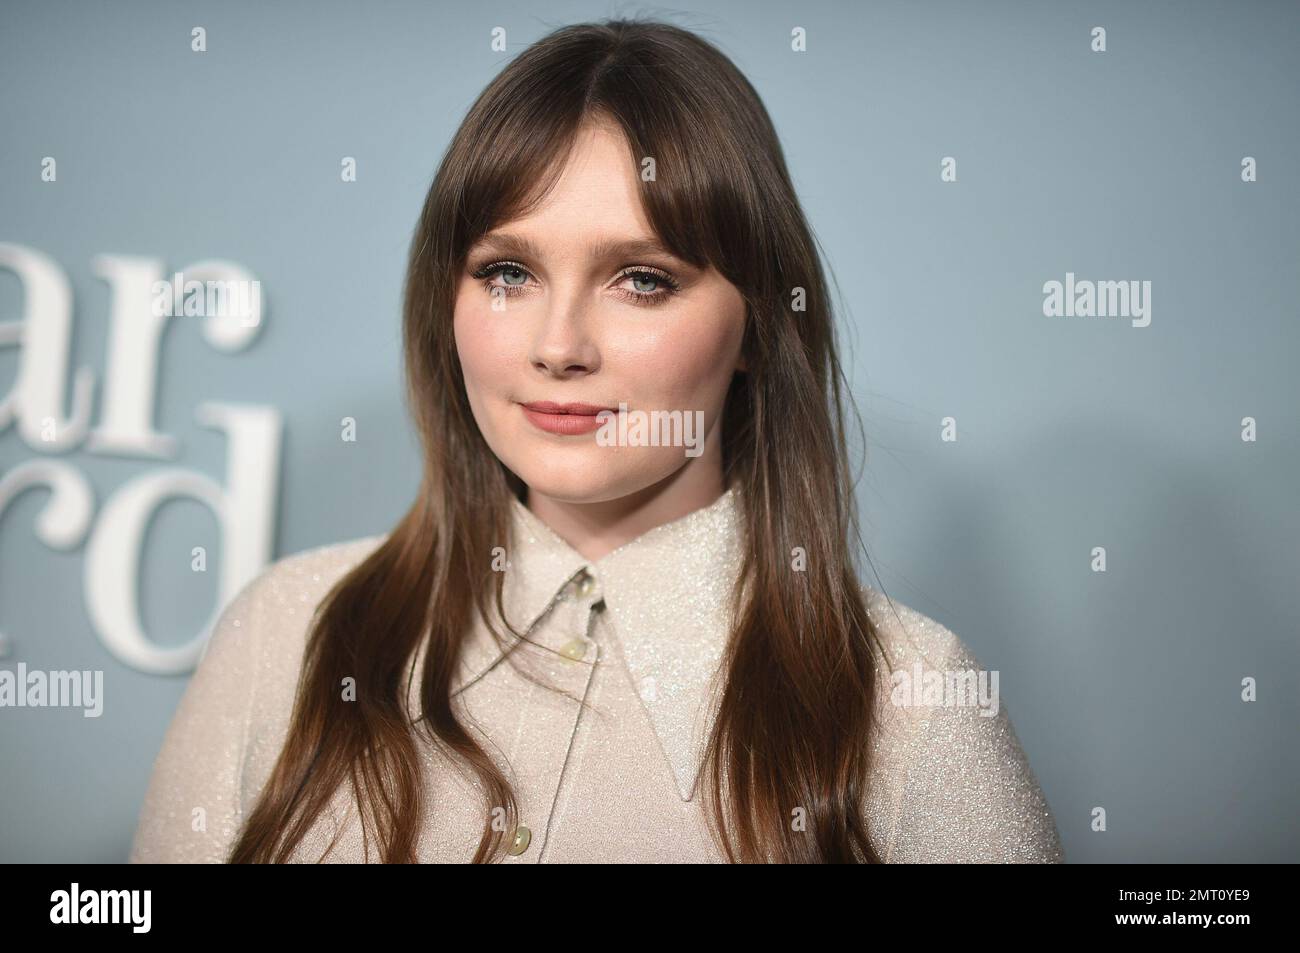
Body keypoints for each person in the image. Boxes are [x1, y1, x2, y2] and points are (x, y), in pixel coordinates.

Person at [129, 18, 1064, 864]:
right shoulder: (285, 634)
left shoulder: (914, 705)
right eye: (506, 272)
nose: (558, 346)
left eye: (643, 280)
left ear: (757, 327)